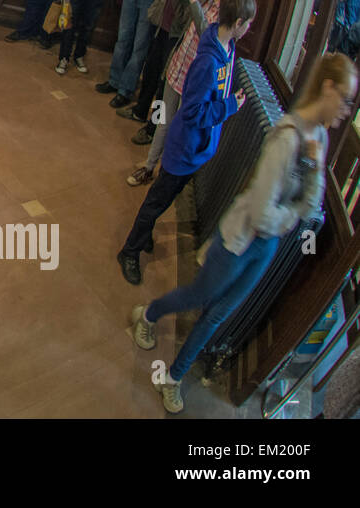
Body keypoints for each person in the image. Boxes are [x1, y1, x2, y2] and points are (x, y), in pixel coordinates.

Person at [131, 52, 356, 413]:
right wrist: (290, 215)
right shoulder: (286, 137)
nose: (346, 109)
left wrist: (309, 176)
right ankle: (149, 314)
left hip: (264, 248)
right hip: (238, 240)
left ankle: (174, 376)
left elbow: (312, 203)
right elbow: (262, 212)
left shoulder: (317, 141)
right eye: (345, 99)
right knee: (196, 296)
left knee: (219, 315)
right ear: (327, 88)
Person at [116, 0, 256, 285]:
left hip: (197, 147)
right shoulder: (208, 61)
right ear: (239, 23)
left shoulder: (225, 47)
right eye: (249, 23)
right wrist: (230, 105)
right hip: (185, 147)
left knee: (164, 199)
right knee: (157, 199)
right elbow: (193, 113)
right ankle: (129, 250)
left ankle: (145, 231)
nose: (249, 28)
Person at [127, 0, 241, 187]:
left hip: (194, 78)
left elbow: (207, 34)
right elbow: (188, 26)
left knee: (177, 129)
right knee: (161, 117)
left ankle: (166, 176)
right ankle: (148, 166)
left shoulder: (230, 9)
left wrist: (193, 2)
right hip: (177, 65)